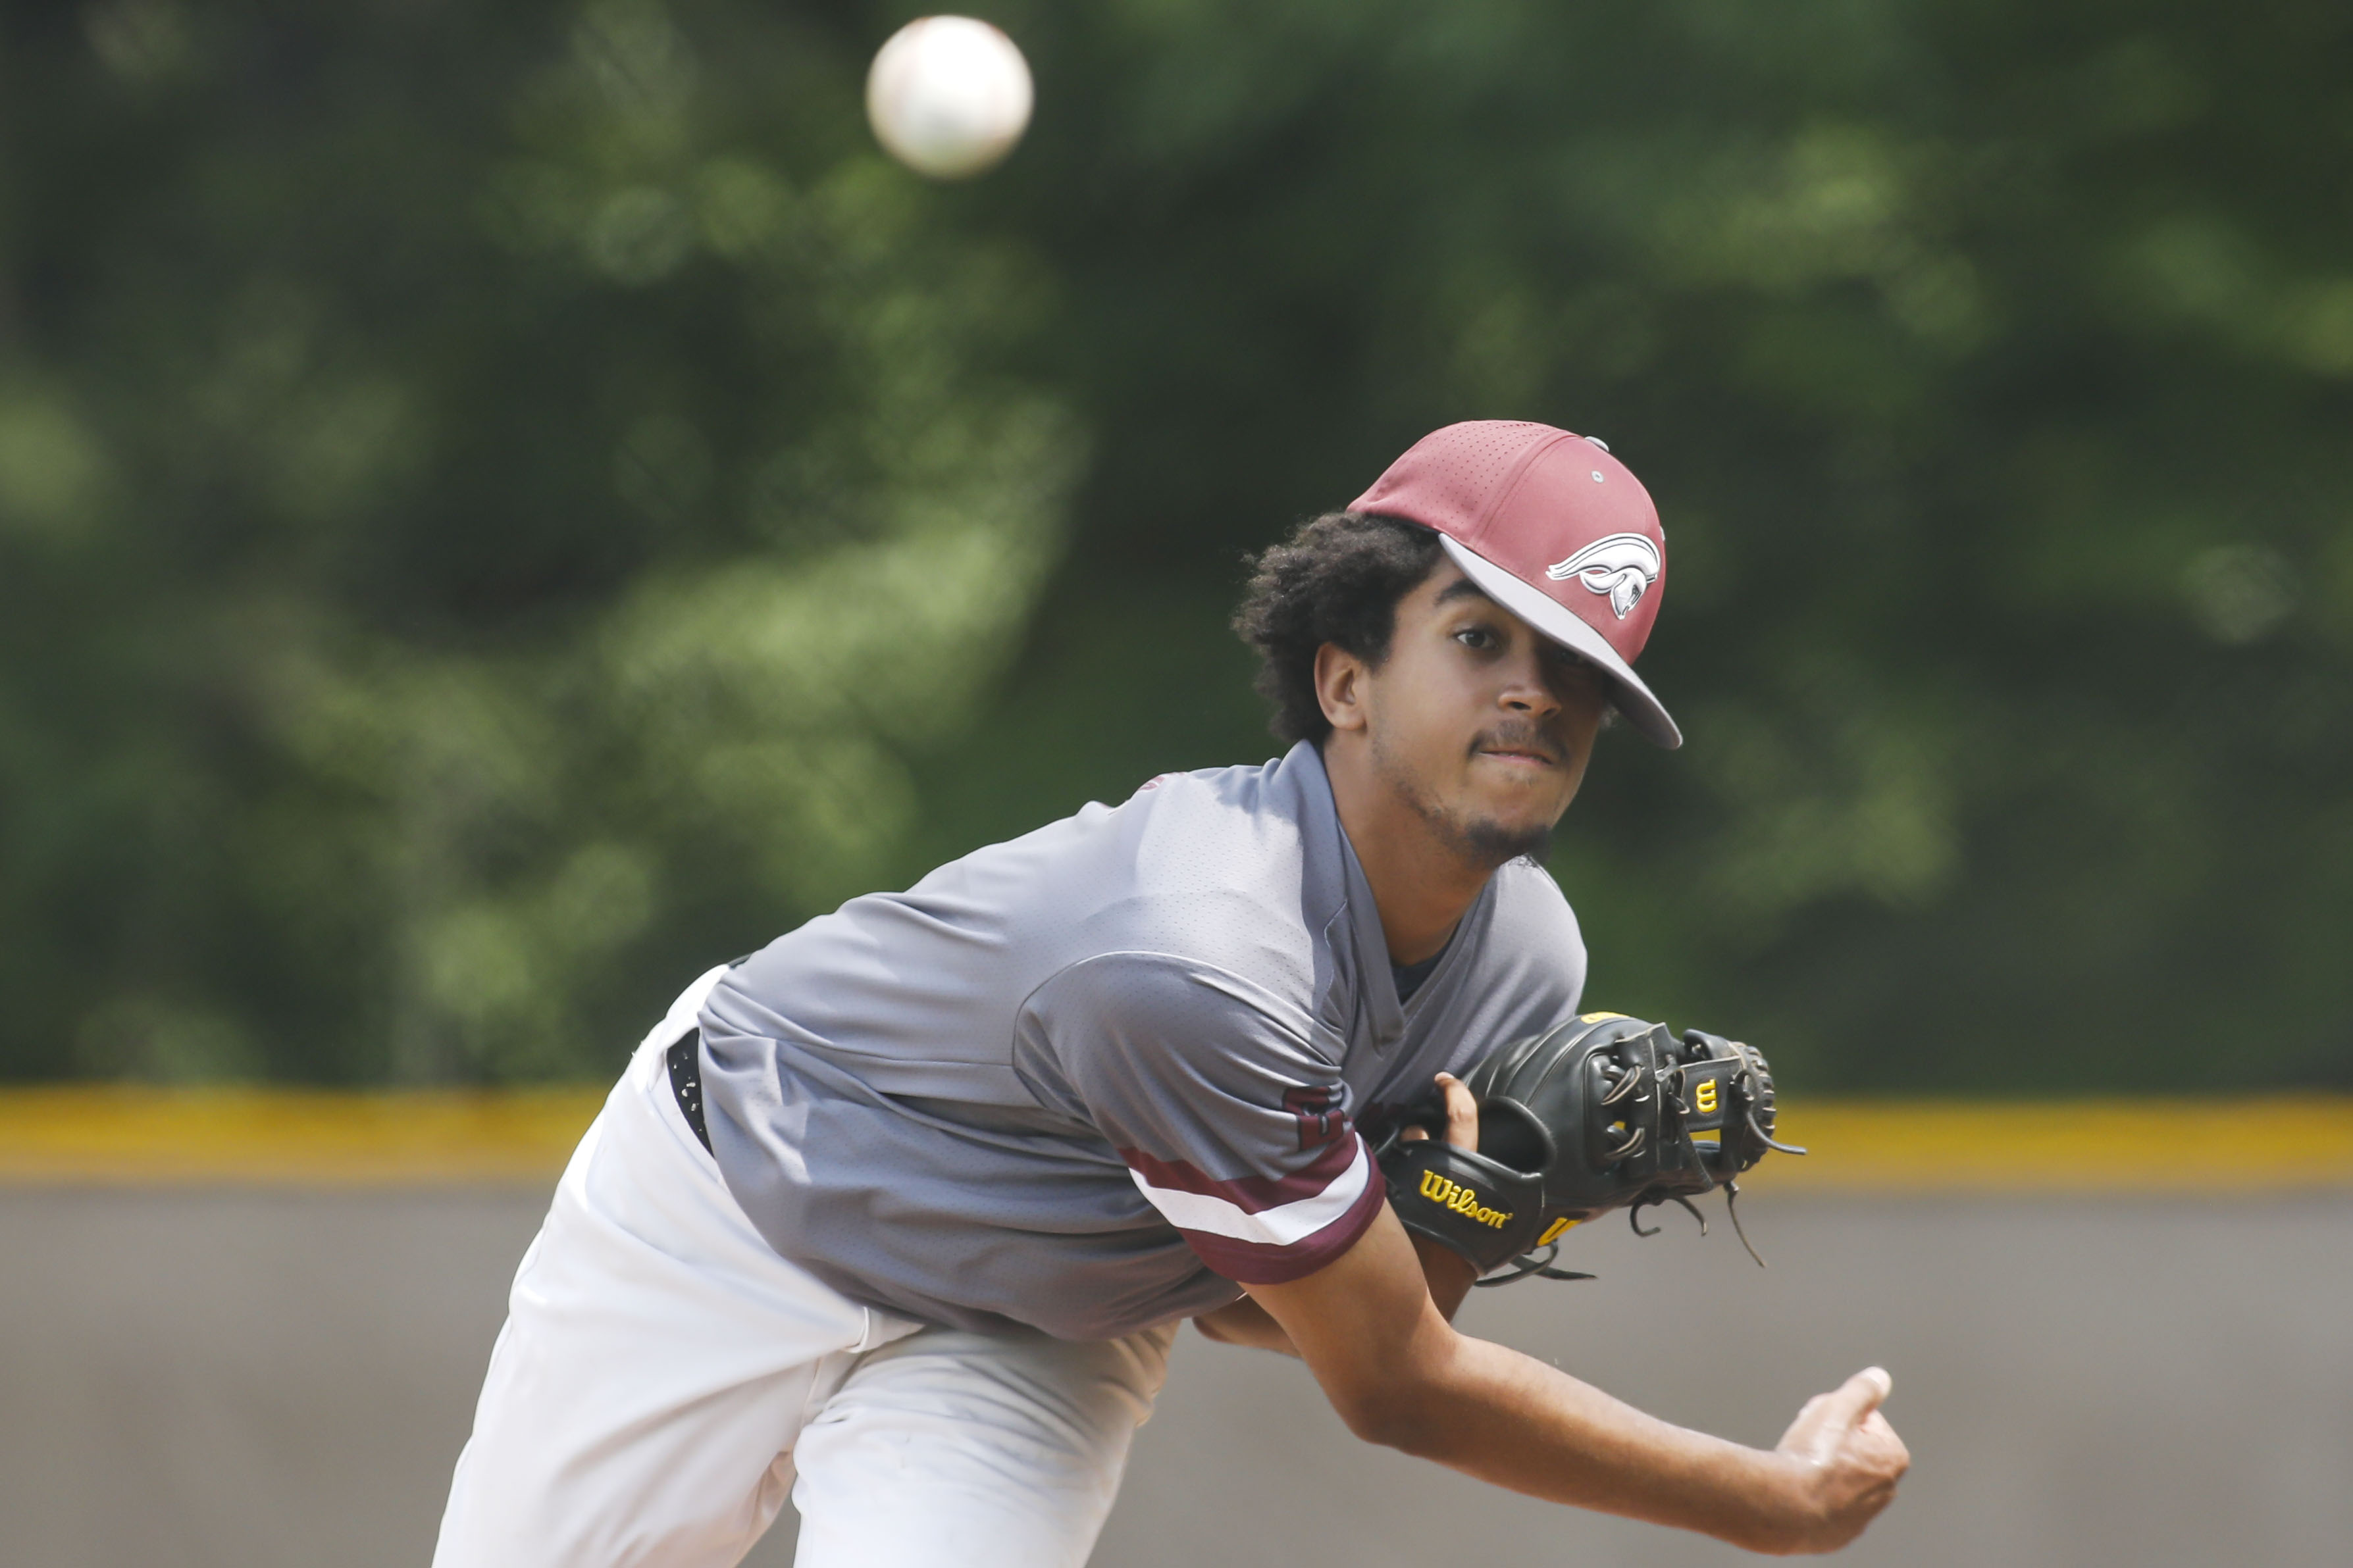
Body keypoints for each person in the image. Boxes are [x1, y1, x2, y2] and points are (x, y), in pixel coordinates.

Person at [432, 420, 1909, 1567]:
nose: (1534, 692)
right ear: (1344, 680)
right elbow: (1393, 1385)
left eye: (1576, 669)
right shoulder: (1200, 953)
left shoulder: (1527, 958)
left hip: (1037, 1327)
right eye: (1478, 638)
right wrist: (1768, 1505)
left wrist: (1463, 1214)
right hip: (737, 1208)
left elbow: (1268, 1317)